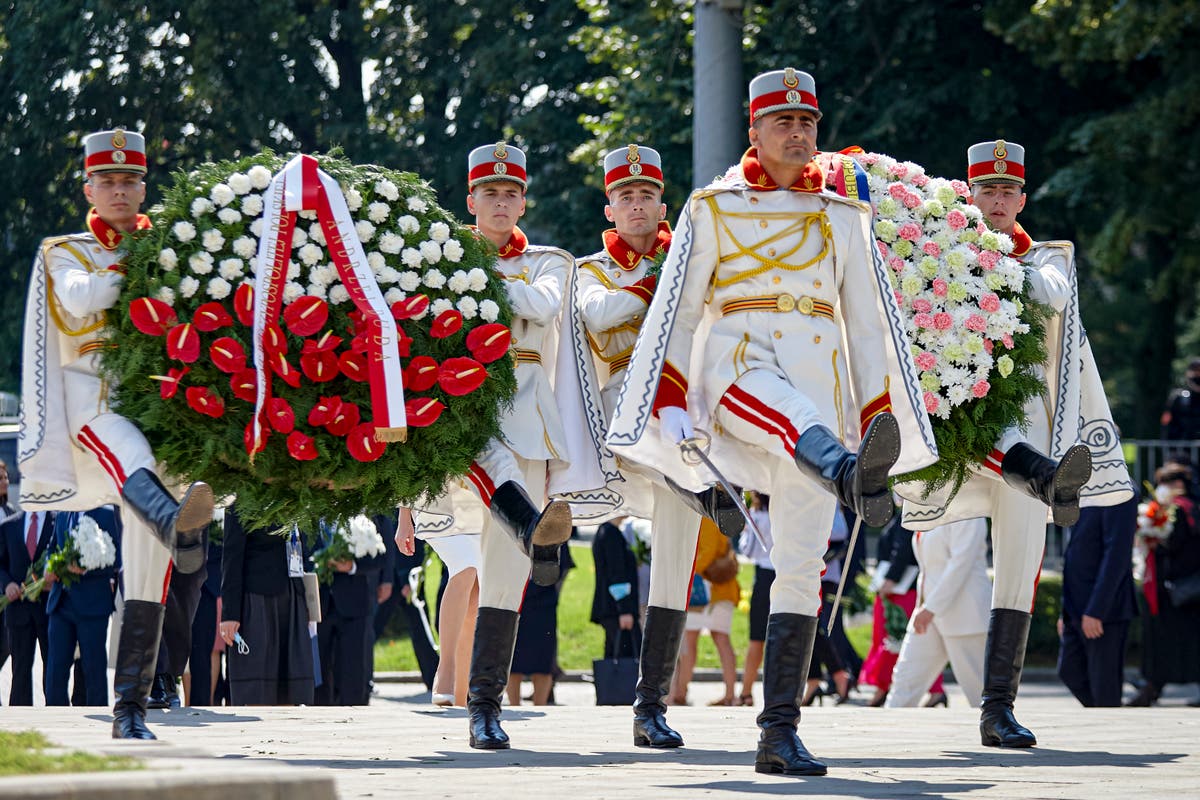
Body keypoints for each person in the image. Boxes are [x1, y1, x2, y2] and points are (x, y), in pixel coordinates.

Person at [605, 68, 939, 776]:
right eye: (782, 121)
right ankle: (852, 474)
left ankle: (779, 732)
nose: (797, 132)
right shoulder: (713, 208)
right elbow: (683, 308)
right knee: (785, 413)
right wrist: (669, 398)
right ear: (753, 130)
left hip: (821, 384)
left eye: (808, 122)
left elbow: (868, 326)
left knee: (801, 565)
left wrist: (875, 412)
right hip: (737, 362)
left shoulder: (843, 215)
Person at [899, 139, 1134, 748]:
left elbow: (1052, 295)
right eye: (987, 191)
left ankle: (997, 708)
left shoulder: (1046, 260)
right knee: (993, 468)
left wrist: (984, 268)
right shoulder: (936, 257)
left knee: (1021, 567)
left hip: (1031, 435)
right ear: (967, 194)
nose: (998, 201)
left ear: (1022, 199)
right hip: (965, 434)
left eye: (1008, 192)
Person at [18, 128, 215, 738]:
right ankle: (177, 523)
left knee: (146, 562)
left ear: (143, 186)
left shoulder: (179, 244)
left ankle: (130, 708)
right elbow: (82, 299)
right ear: (88, 188)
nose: (120, 190)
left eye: (130, 181)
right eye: (108, 181)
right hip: (95, 401)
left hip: (160, 405)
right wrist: (155, 261)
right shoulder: (67, 250)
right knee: (128, 454)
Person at [416, 141, 610, 749]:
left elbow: (544, 306)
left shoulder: (549, 260)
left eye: (511, 194)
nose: (501, 203)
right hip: (464, 413)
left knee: (503, 576)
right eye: (489, 194)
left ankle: (484, 706)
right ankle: (532, 526)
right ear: (469, 200)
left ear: (524, 201)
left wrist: (471, 282)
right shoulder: (437, 257)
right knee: (490, 475)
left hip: (527, 418)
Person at [568, 143, 744, 750]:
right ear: (610, 208)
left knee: (673, 566)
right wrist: (668, 283)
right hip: (623, 414)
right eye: (626, 197)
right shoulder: (594, 268)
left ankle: (650, 707)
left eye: (646, 196)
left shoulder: (693, 257)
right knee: (663, 437)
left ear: (661, 204)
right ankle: (713, 485)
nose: (637, 205)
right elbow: (598, 315)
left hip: (687, 420)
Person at [886, 518, 991, 708]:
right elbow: (927, 569)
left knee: (980, 692)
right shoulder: (928, 506)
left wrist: (931, 608)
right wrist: (923, 607)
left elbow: (961, 563)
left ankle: (999, 735)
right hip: (928, 614)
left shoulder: (970, 510)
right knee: (904, 680)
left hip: (965, 615)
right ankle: (886, 732)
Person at [219, 505, 314, 705]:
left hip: (291, 595)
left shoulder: (296, 495)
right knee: (256, 687)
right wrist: (230, 614)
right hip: (256, 600)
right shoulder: (241, 502)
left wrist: (307, 601)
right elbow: (231, 558)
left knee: (291, 687)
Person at [1127, 462, 1200, 706]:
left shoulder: (1177, 510)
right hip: (1186, 587)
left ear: (1178, 485)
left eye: (1166, 483)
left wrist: (1155, 541)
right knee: (1187, 640)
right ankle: (1152, 687)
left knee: (1164, 639)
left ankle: (1151, 687)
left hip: (1171, 588)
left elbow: (1176, 544)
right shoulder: (1192, 507)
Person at [1057, 497, 1137, 707]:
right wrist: (1063, 612)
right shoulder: (1086, 489)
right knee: (1069, 671)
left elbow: (1117, 555)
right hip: (1075, 606)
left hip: (1105, 610)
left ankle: (1109, 729)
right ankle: (1104, 720)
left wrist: (1097, 610)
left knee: (1104, 687)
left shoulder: (1121, 490)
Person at [860, 514, 944, 706]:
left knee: (893, 638)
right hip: (907, 587)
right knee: (911, 640)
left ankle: (884, 687)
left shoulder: (910, 514)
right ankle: (935, 690)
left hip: (901, 588)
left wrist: (890, 579)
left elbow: (903, 548)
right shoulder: (910, 514)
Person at [401, 507, 478, 707]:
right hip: (438, 498)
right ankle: (446, 669)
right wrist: (404, 517)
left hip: (481, 498)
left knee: (474, 598)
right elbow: (404, 473)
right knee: (465, 566)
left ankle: (462, 696)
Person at [45, 506, 120, 706]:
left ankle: (96, 719)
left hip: (93, 605)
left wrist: (87, 567)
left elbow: (118, 557)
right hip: (60, 603)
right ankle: (53, 719)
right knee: (55, 668)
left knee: (93, 669)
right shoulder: (62, 514)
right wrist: (48, 567)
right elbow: (52, 548)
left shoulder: (106, 515)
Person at [314, 518, 385, 706]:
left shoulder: (360, 515)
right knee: (320, 670)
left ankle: (354, 715)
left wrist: (352, 566)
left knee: (353, 670)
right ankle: (319, 717)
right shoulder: (306, 512)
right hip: (318, 604)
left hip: (354, 603)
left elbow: (379, 556)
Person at [670, 519, 740, 707]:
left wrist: (684, 569)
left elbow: (706, 553)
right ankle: (728, 694)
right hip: (714, 590)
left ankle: (684, 693)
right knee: (707, 639)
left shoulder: (706, 517)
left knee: (708, 639)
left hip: (709, 590)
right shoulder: (713, 516)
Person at [374, 512, 438, 694]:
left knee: (420, 630)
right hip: (387, 574)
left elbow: (417, 535)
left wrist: (410, 575)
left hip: (409, 575)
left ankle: (434, 679)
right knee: (371, 628)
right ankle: (363, 677)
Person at [508, 543, 574, 706]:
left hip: (544, 604)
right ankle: (514, 706)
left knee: (543, 660)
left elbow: (563, 564)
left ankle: (541, 704)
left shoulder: (552, 524)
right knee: (513, 660)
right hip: (515, 600)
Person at [0, 508, 55, 705]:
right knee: (20, 669)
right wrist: (7, 584)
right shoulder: (8, 525)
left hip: (49, 611)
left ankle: (56, 717)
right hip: (18, 610)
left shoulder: (57, 521)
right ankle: (20, 720)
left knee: (53, 669)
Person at [738, 492, 774, 707]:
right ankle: (776, 693)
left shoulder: (757, 515)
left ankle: (746, 691)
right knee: (780, 636)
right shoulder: (787, 510)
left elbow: (748, 549)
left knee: (757, 638)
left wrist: (745, 531)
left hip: (764, 576)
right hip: (785, 573)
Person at [590, 515, 642, 665]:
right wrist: (624, 609)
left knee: (615, 656)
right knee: (625, 659)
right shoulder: (610, 534)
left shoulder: (607, 531)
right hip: (617, 609)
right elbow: (616, 573)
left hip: (612, 608)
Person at [1160, 358, 1200, 441]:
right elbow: (1166, 422)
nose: (1197, 374)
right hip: (1182, 447)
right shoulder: (1179, 397)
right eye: (1195, 370)